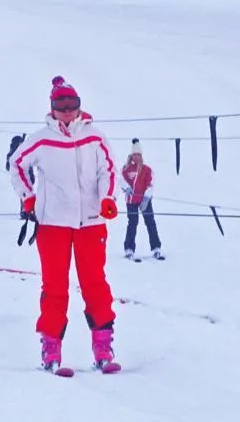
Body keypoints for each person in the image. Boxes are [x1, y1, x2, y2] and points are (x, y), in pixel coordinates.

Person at [12, 76, 119, 374]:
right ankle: (51, 348)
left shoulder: (95, 136)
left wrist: (106, 198)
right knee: (55, 286)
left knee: (95, 283)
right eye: (62, 105)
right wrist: (28, 197)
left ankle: (103, 347)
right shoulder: (41, 139)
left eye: (72, 105)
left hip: (91, 223)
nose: (68, 111)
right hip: (53, 223)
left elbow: (107, 169)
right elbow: (17, 165)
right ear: (52, 107)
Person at [121, 140, 163, 261]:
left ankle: (156, 247)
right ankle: (129, 248)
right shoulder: (127, 169)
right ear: (132, 156)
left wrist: (146, 197)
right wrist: (126, 187)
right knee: (132, 223)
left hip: (144, 200)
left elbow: (151, 184)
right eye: (135, 155)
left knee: (150, 222)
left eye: (139, 155)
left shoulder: (146, 169)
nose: (137, 157)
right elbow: (120, 179)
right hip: (131, 201)